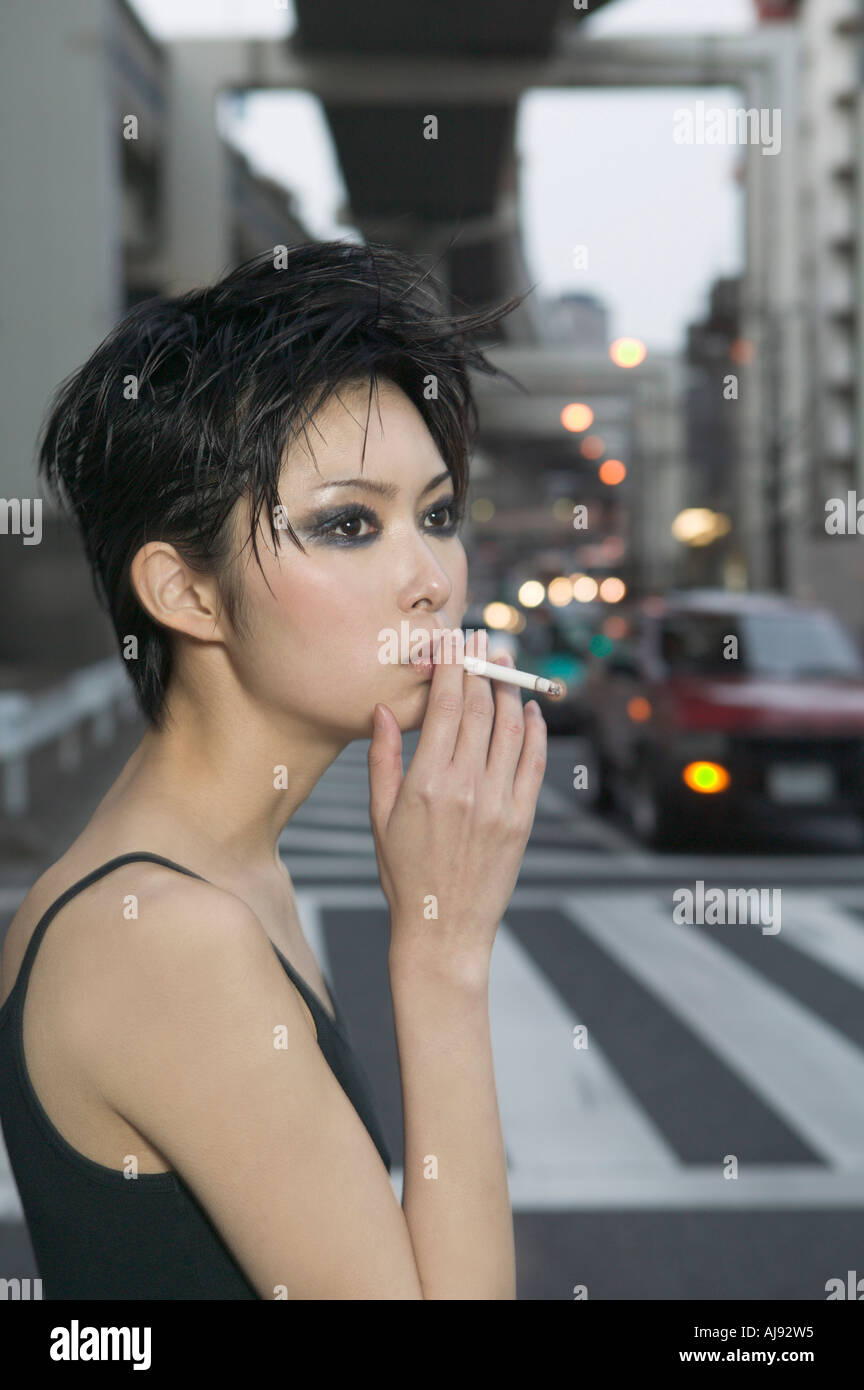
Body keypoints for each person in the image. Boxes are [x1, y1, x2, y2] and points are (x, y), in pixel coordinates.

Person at [0, 241, 547, 1300]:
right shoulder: (163, 933)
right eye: (350, 523)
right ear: (186, 593)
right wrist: (444, 956)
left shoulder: (210, 872)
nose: (431, 577)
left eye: (436, 514)